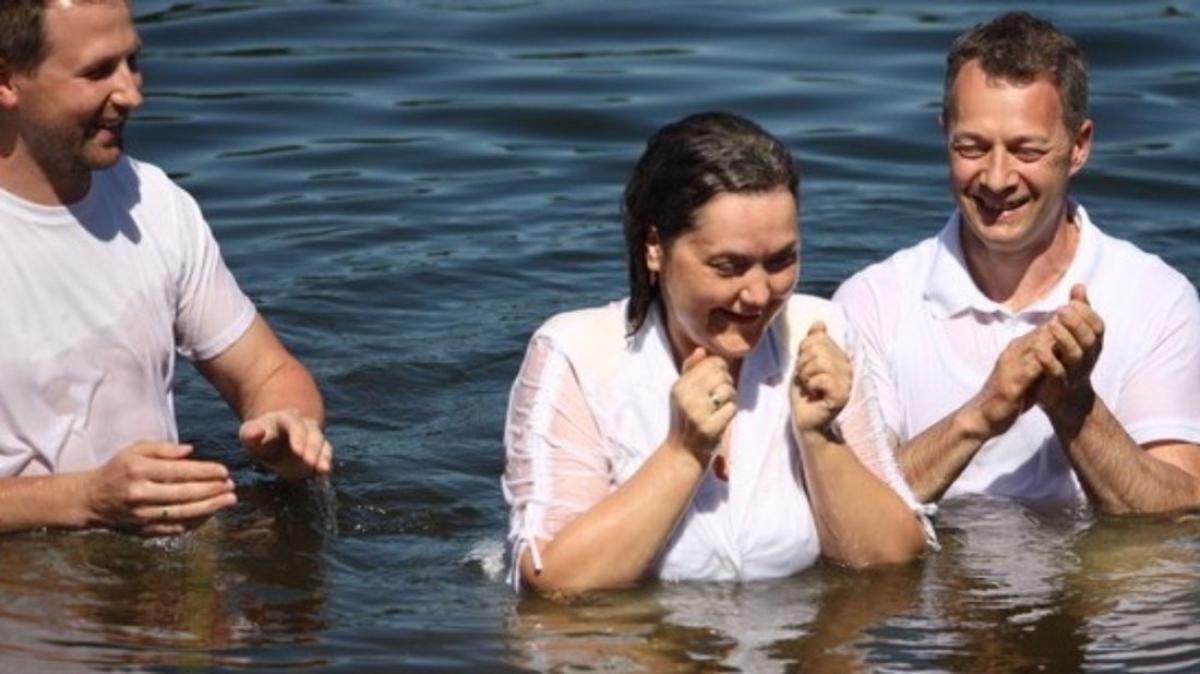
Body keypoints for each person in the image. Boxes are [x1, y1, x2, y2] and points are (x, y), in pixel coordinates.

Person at [502, 111, 931, 594]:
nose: (757, 294)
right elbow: (552, 582)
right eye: (728, 267)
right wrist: (684, 452)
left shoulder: (820, 333)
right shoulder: (577, 354)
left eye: (781, 261)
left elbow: (893, 562)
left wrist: (819, 436)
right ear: (654, 248)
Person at [833, 12, 1200, 513]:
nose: (997, 177)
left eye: (1027, 150)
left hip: (1090, 588)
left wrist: (1074, 406)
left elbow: (1181, 510)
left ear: (1078, 148)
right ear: (944, 134)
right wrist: (983, 414)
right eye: (972, 147)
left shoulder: (1156, 298)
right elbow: (850, 514)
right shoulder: (872, 302)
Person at [0, 0, 333, 536]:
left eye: (132, 61)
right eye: (98, 71)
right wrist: (85, 498)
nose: (132, 93)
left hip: (162, 565)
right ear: (6, 79)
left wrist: (288, 429)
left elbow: (269, 373)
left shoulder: (153, 201)